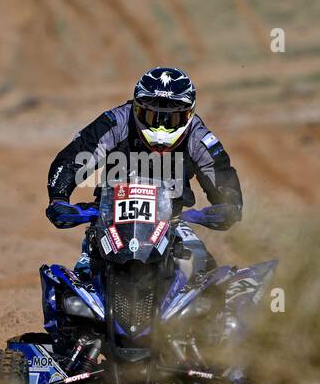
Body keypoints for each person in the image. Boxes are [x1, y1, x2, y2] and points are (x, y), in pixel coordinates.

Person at [44, 67, 242, 280]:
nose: (161, 127)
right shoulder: (116, 121)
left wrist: (229, 204)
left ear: (188, 114)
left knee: (203, 269)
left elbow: (220, 171)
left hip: (173, 222)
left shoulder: (197, 135)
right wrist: (59, 198)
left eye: (171, 119)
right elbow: (75, 155)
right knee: (84, 274)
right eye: (151, 115)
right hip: (108, 221)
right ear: (137, 109)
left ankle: (212, 311)